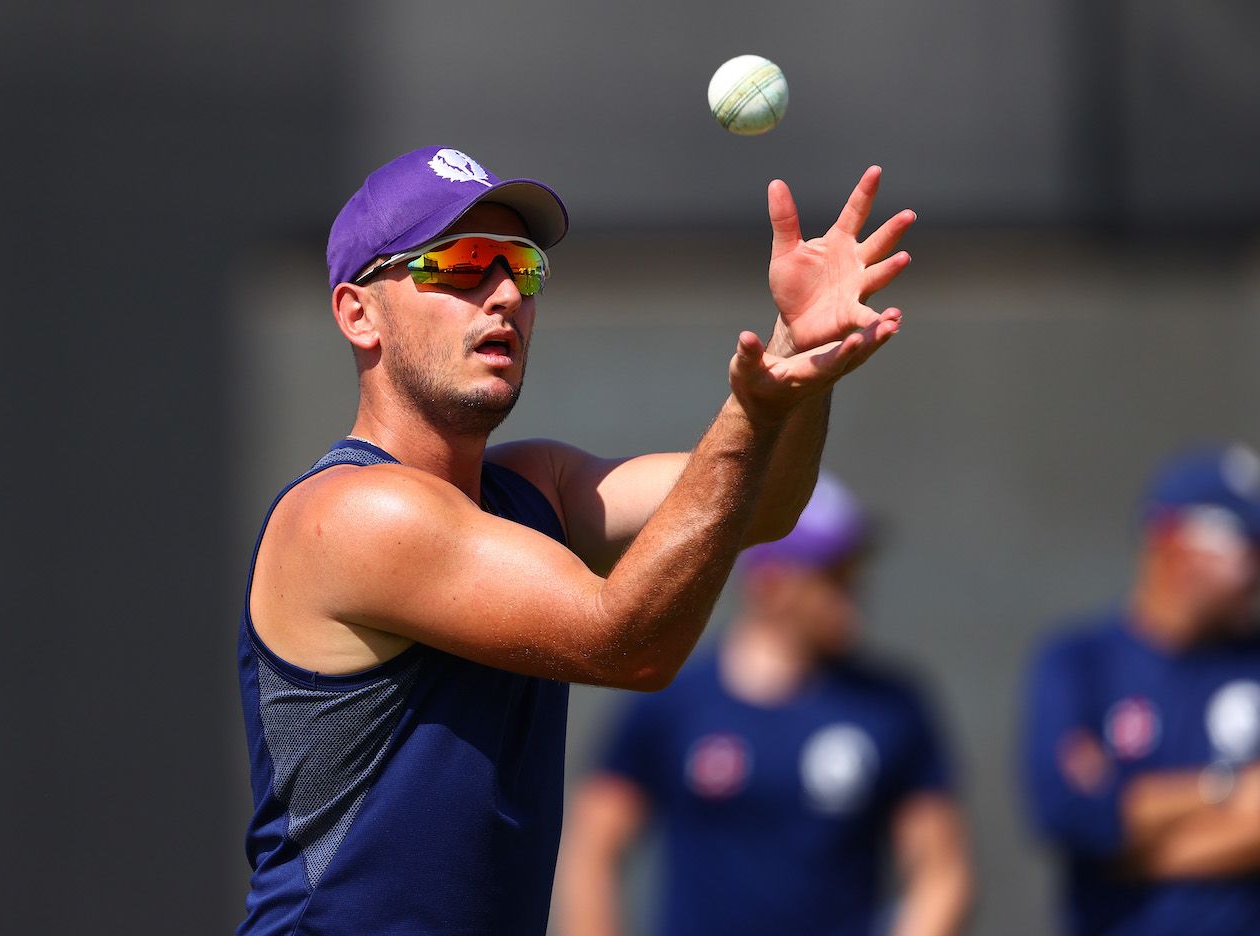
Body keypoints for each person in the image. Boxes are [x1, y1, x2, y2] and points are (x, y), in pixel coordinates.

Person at [236, 144, 916, 935]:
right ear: (359, 314)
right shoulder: (354, 514)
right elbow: (631, 646)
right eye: (457, 264)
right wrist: (754, 415)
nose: (500, 296)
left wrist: (803, 357)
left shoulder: (537, 486)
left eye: (519, 268)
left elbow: (761, 508)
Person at [557, 474, 972, 936]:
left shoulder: (892, 706)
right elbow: (592, 849)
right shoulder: (673, 700)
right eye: (833, 577)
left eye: (855, 573)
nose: (853, 595)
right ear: (770, 584)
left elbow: (941, 874)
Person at [1022, 443, 1260, 935]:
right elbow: (1072, 816)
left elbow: (1109, 824)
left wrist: (1137, 846)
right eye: (1247, 552)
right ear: (1173, 543)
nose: (1254, 576)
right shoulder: (1080, 662)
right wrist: (1228, 788)